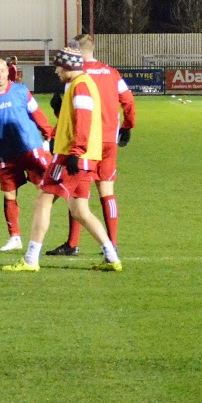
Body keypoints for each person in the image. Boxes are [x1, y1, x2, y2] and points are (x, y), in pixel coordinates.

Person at [3, 48, 121, 273]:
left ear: (68, 66)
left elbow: (84, 121)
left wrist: (76, 152)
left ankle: (30, 259)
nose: (56, 71)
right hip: (85, 157)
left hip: (71, 157)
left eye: (59, 66)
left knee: (43, 200)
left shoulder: (80, 86)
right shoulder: (81, 84)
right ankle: (112, 257)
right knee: (80, 210)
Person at [50, 32, 136, 257]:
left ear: (76, 50)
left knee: (76, 191)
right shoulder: (111, 72)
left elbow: (71, 114)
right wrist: (127, 126)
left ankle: (73, 243)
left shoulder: (76, 76)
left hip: (86, 141)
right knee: (107, 191)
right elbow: (128, 100)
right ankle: (112, 243)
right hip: (109, 140)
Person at [0, 57, 54, 250]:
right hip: (4, 153)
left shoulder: (21, 91)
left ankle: (72, 228)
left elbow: (37, 114)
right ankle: (15, 237)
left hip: (30, 149)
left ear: (8, 72)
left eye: (2, 71)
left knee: (49, 189)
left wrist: (49, 135)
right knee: (9, 194)